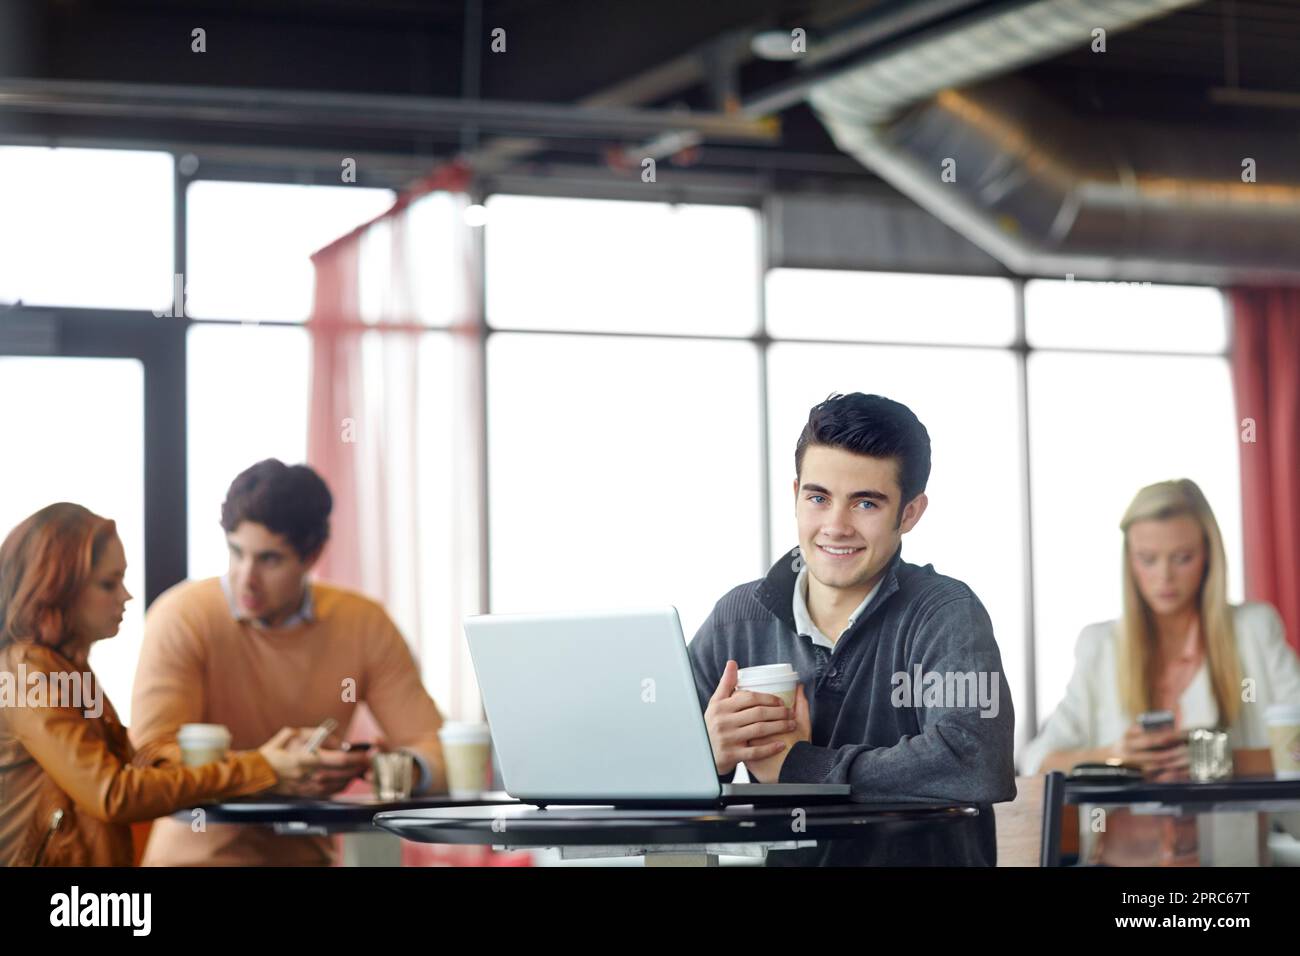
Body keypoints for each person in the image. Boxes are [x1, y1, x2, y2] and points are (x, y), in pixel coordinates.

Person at [688, 392, 1016, 866]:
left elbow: (975, 760)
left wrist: (801, 767)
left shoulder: (946, 613)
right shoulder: (737, 618)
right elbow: (649, 766)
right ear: (796, 494)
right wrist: (706, 756)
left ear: (910, 512)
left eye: (865, 503)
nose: (836, 526)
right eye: (818, 498)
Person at [130, 459, 447, 866]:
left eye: (269, 559)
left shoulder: (363, 624)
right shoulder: (181, 617)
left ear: (312, 555)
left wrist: (391, 768)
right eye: (236, 552)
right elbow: (152, 763)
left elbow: (440, 752)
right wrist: (270, 769)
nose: (246, 578)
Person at [0, 502, 318, 866]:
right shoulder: (27, 673)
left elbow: (132, 769)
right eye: (108, 583)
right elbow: (112, 793)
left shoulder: (67, 669)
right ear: (57, 588)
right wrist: (262, 767)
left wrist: (262, 762)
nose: (126, 596)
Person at [1020, 478, 1300, 865]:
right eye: (1147, 559)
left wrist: (1219, 761)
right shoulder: (1100, 645)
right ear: (1129, 560)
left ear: (1209, 555)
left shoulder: (1253, 630)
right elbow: (1037, 761)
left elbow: (1296, 750)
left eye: (1182, 557)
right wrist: (1115, 759)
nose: (1164, 577)